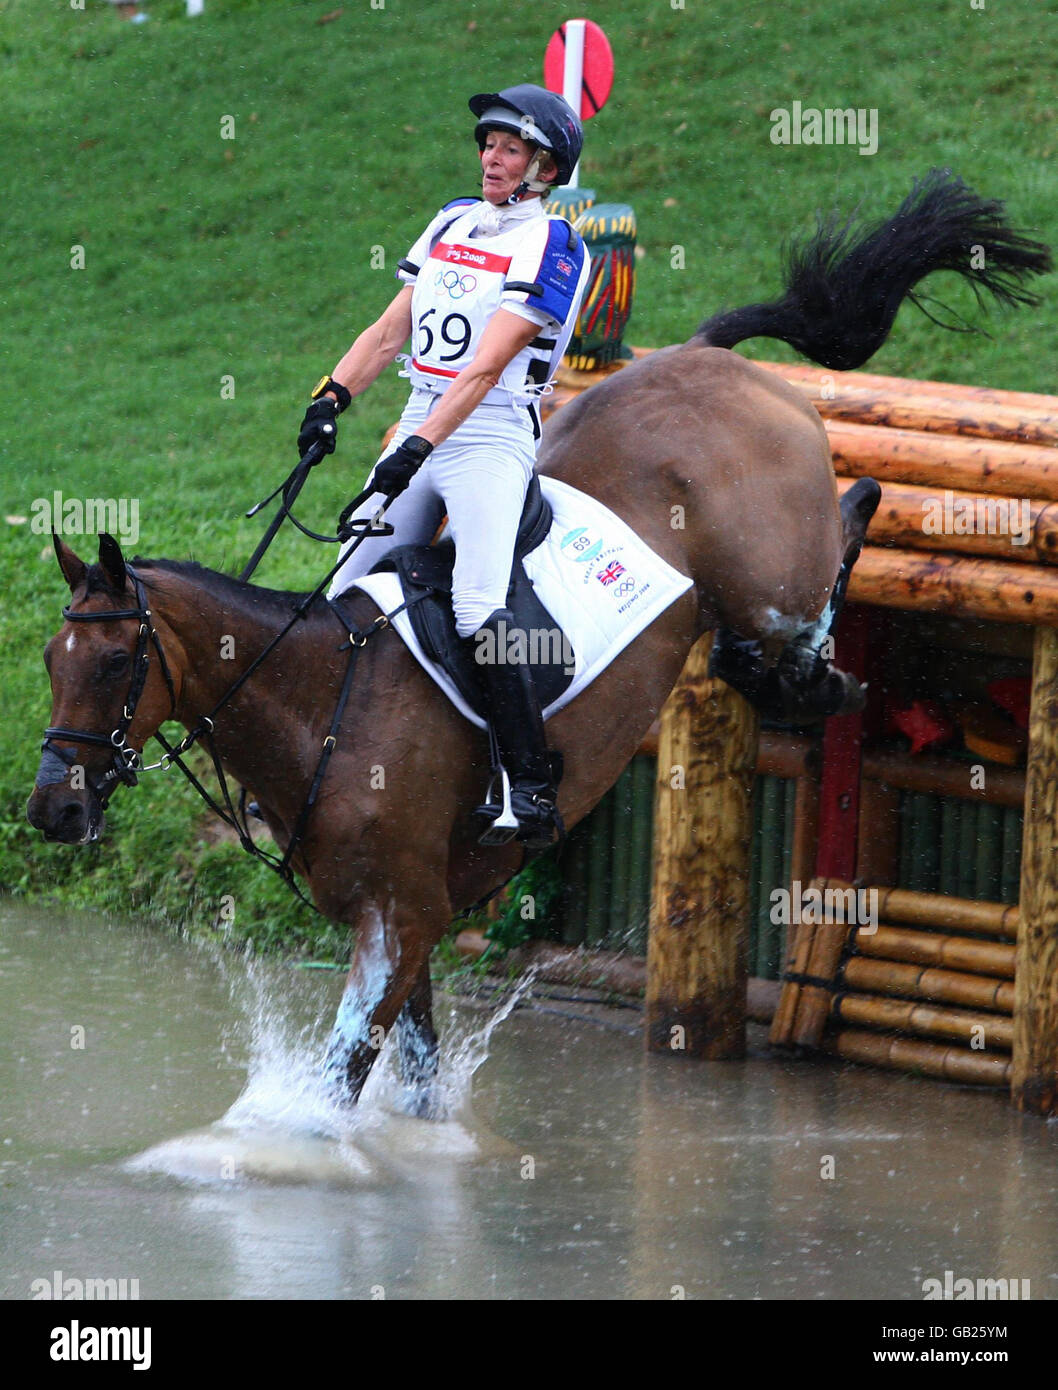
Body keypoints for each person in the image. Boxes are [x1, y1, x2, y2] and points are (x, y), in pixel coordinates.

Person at [299, 85, 591, 847]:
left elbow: (486, 370)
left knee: (476, 607)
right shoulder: (453, 220)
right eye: (488, 144)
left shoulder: (553, 243)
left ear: (545, 168)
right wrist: (331, 396)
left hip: (488, 436)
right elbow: (389, 331)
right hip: (425, 419)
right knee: (344, 587)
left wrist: (417, 448)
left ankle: (529, 786)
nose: (492, 157)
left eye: (511, 149)